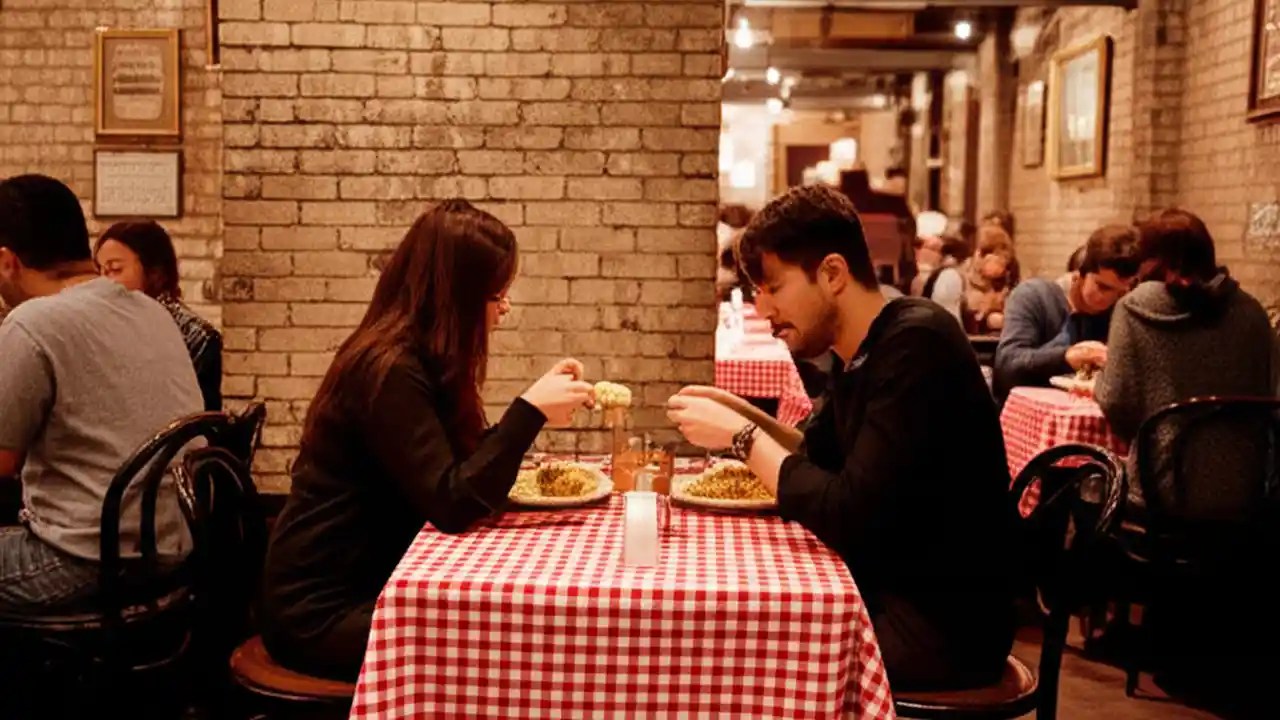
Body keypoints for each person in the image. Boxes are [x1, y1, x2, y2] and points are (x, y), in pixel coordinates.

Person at [666, 185, 1015, 691]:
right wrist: (741, 413)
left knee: (732, 655)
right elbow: (813, 455)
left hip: (942, 626)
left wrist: (742, 438)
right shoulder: (864, 349)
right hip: (889, 592)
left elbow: (848, 512)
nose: (763, 310)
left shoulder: (917, 343)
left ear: (831, 273)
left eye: (774, 287)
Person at [260, 199, 596, 681]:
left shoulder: (422, 358)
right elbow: (452, 501)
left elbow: (456, 466)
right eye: (496, 295)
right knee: (501, 648)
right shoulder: (387, 369)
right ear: (455, 297)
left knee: (505, 630)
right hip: (322, 613)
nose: (504, 310)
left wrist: (530, 410)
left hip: (375, 583)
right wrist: (529, 411)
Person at [0, 174, 202, 613]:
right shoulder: (152, 311)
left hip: (89, 561)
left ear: (6, 261)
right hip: (174, 554)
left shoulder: (32, 322)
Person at [1095, 209, 1278, 511]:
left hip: (1163, 499)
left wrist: (1100, 383)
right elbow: (1269, 395)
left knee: (1084, 490)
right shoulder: (1253, 312)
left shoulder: (1134, 309)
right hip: (1248, 500)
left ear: (1154, 261)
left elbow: (1118, 404)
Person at [993, 224, 1140, 402]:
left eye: (1120, 292)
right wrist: (1067, 357)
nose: (1109, 299)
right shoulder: (1034, 296)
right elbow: (1007, 367)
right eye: (1102, 287)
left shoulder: (1122, 310)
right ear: (1080, 275)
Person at [95, 220, 223, 411]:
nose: (105, 282)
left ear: (155, 272)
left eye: (115, 270)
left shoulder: (195, 336)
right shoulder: (101, 326)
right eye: (101, 272)